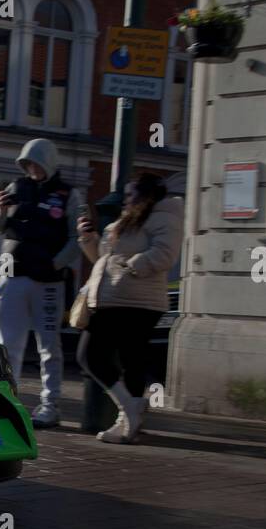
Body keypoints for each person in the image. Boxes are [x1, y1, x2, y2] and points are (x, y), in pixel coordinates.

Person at [75, 172, 183, 443]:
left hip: (134, 300)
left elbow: (165, 254)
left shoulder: (164, 217)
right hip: (116, 297)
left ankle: (128, 409)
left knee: (90, 355)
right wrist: (88, 239)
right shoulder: (128, 220)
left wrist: (130, 268)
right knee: (131, 361)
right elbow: (103, 259)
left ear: (146, 195)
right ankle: (128, 425)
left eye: (130, 194)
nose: (125, 200)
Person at [0, 138, 83, 428]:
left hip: (48, 282)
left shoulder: (69, 195)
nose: (31, 168)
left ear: (49, 162)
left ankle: (50, 405)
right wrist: (0, 211)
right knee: (8, 345)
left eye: (36, 162)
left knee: (49, 346)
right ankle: (9, 402)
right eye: (27, 163)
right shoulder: (15, 188)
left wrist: (55, 263)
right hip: (12, 277)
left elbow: (76, 237)